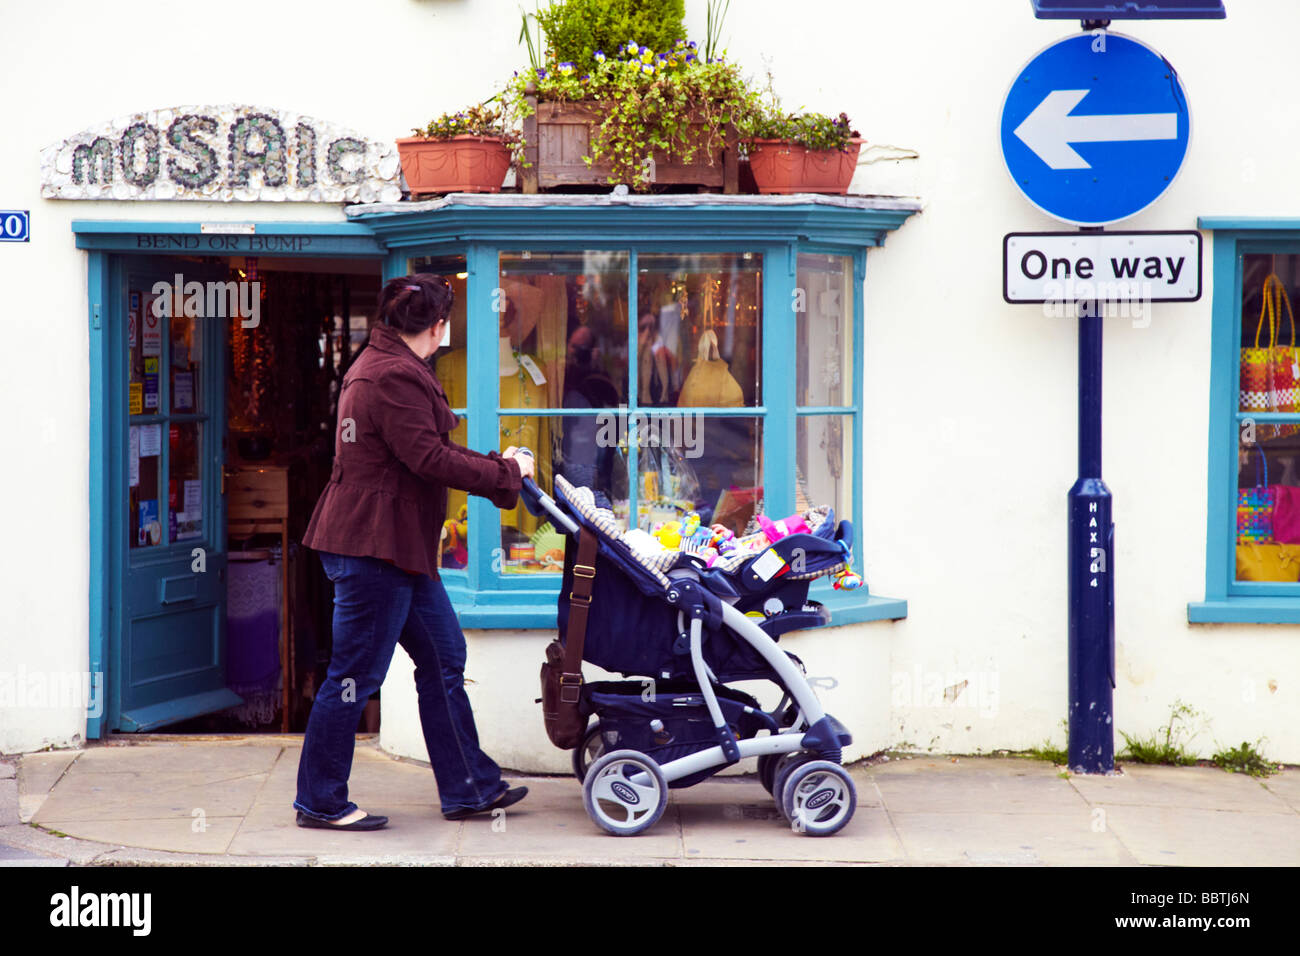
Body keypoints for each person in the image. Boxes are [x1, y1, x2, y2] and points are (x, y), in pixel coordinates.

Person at [294, 273, 536, 830]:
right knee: (354, 676)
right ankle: (321, 801)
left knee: (443, 657)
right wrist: (507, 473)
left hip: (393, 548)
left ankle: (469, 787)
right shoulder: (393, 376)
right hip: (374, 549)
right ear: (436, 326)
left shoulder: (385, 365)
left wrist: (500, 469)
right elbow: (429, 458)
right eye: (447, 318)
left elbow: (429, 452)